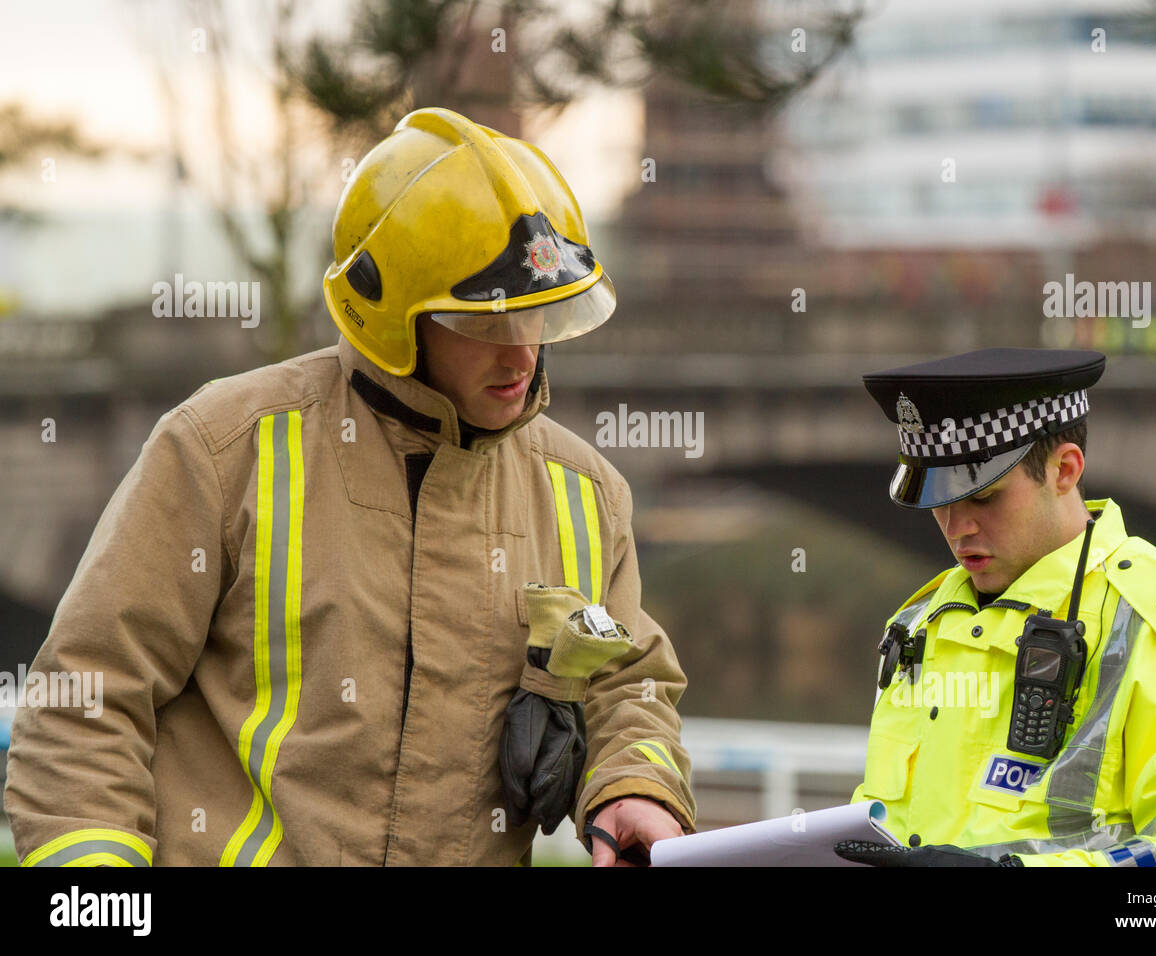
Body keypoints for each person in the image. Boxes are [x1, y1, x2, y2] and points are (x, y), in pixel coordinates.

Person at [3, 108, 694, 867]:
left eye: (536, 314)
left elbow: (630, 690)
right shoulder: (223, 448)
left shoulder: (587, 496)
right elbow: (87, 699)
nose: (521, 353)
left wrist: (635, 786)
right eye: (485, 323)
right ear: (391, 316)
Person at [834, 347, 1156, 867]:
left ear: (1065, 470)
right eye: (939, 502)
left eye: (983, 498)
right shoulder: (918, 624)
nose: (957, 529)